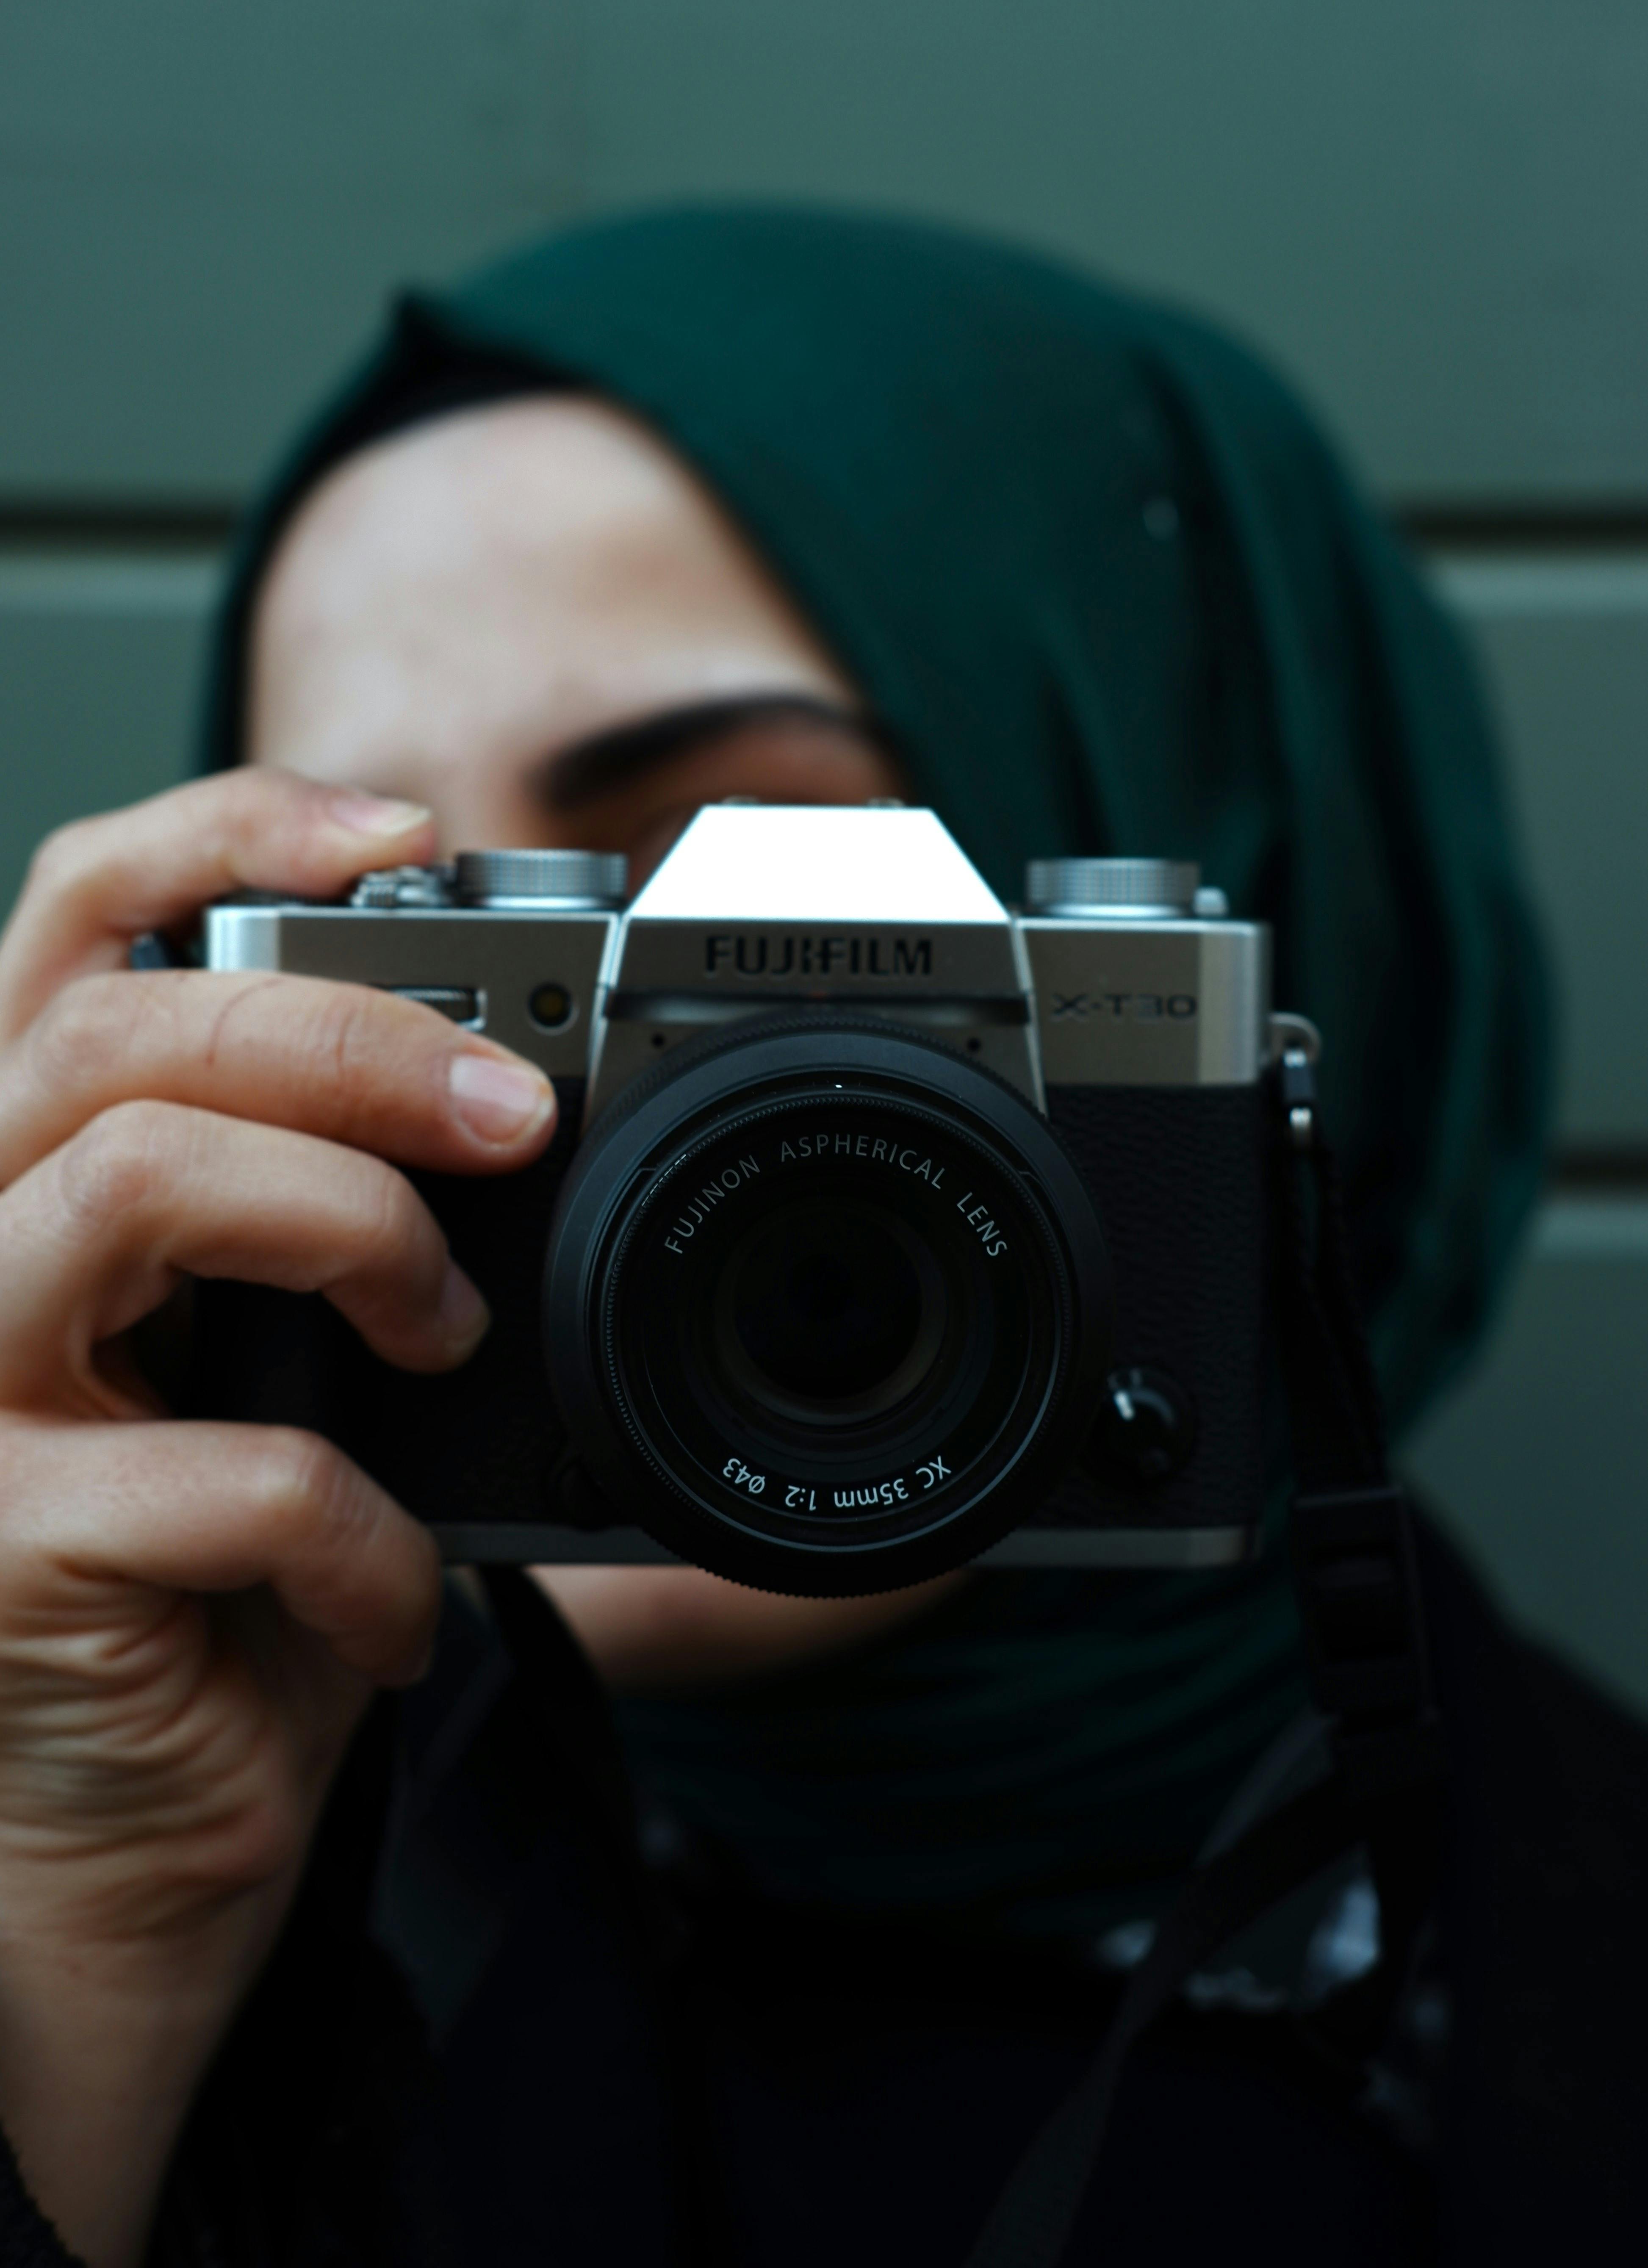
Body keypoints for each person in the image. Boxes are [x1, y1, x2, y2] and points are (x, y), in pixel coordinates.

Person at [0, 207, 1635, 2268]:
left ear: (1264, 1004)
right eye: (439, 938)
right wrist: (78, 1944)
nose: (575, 1096)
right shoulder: (201, 1958)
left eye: (742, 904)